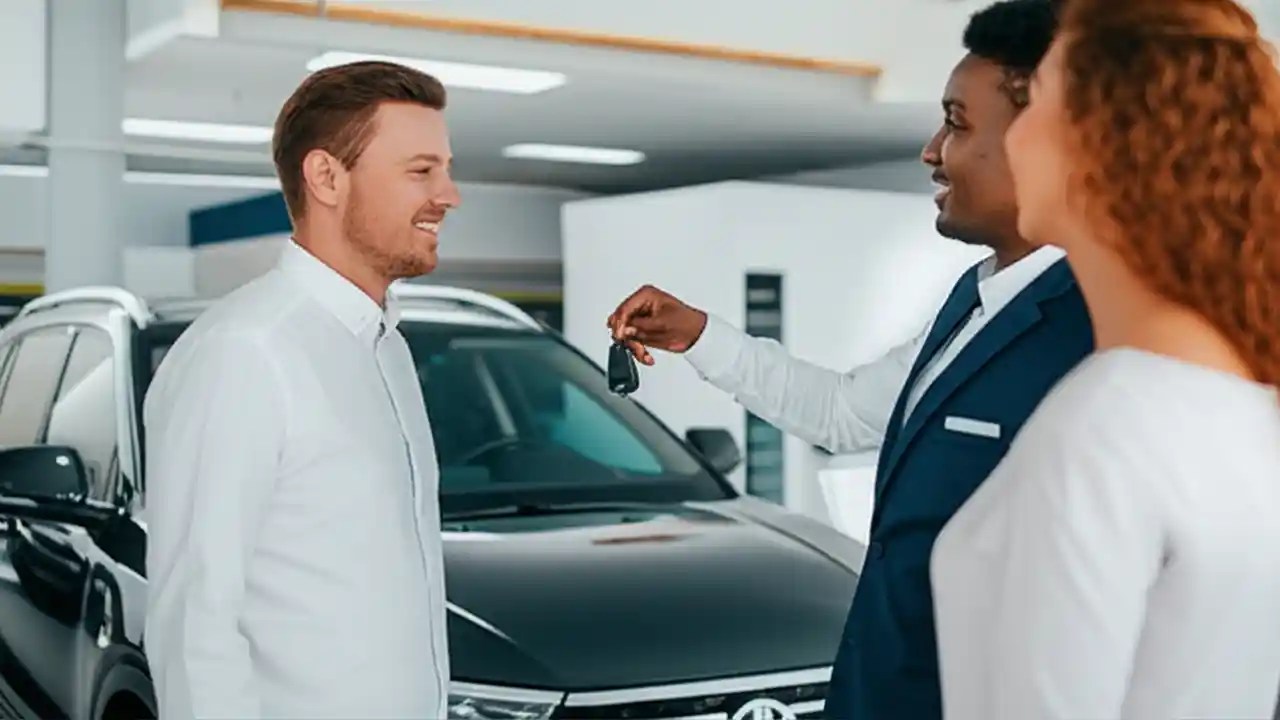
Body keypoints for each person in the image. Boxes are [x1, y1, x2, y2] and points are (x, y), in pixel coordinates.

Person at [607, 2, 1090, 718]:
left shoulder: (1103, 334)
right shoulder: (974, 298)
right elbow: (842, 412)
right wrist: (702, 336)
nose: (931, 150)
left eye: (957, 123)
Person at [930, 0, 1280, 717]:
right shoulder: (1243, 399)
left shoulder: (1108, 425)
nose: (1016, 136)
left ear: (1105, 148)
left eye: (1037, 104)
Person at [143, 60, 460, 719]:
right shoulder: (246, 352)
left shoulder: (388, 349)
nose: (448, 194)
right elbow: (193, 632)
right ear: (326, 177)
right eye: (421, 171)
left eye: (445, 169)